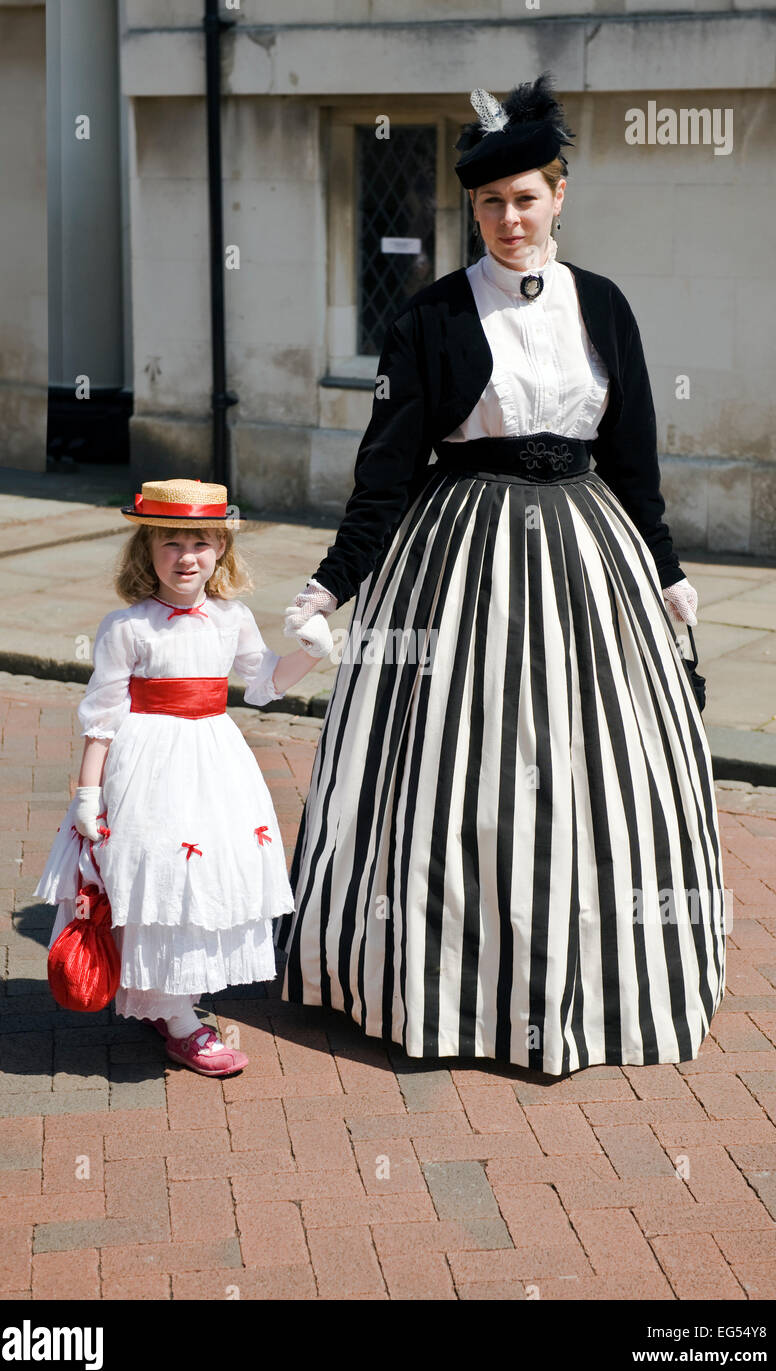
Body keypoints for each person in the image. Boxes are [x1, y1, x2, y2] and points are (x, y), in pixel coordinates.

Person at [276, 73, 726, 1077]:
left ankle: (593, 986)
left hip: (586, 549)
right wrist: (332, 583)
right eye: (489, 202)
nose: (508, 218)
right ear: (468, 208)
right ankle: (439, 988)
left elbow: (634, 455)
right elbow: (386, 467)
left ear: (558, 195)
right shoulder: (431, 315)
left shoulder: (602, 304)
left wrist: (663, 565)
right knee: (450, 773)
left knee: (594, 771)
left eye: (525, 197)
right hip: (460, 550)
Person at [34, 478, 332, 1077]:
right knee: (156, 876)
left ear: (221, 549)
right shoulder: (128, 626)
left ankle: (169, 999)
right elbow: (103, 714)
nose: (186, 557)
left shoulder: (232, 618)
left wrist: (313, 651)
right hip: (144, 765)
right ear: (146, 549)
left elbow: (265, 684)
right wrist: (89, 791)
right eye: (171, 543)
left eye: (201, 542)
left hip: (213, 760)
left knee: (205, 875)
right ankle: (178, 1019)